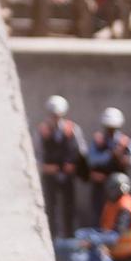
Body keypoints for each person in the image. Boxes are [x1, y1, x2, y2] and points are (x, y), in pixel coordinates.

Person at [35, 95, 87, 239]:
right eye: (53, 115)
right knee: (50, 208)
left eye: (58, 115)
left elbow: (82, 152)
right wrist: (43, 167)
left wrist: (75, 166)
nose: (55, 119)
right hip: (50, 176)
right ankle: (51, 238)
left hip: (67, 176)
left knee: (69, 208)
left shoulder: (72, 129)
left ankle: (69, 238)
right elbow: (36, 154)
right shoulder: (42, 131)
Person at [84, 106, 131, 214]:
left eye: (113, 128)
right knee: (99, 214)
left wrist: (127, 160)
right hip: (101, 185)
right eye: (108, 128)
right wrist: (110, 155)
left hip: (120, 187)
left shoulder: (124, 142)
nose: (111, 131)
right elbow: (91, 160)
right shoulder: (98, 141)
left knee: (119, 214)